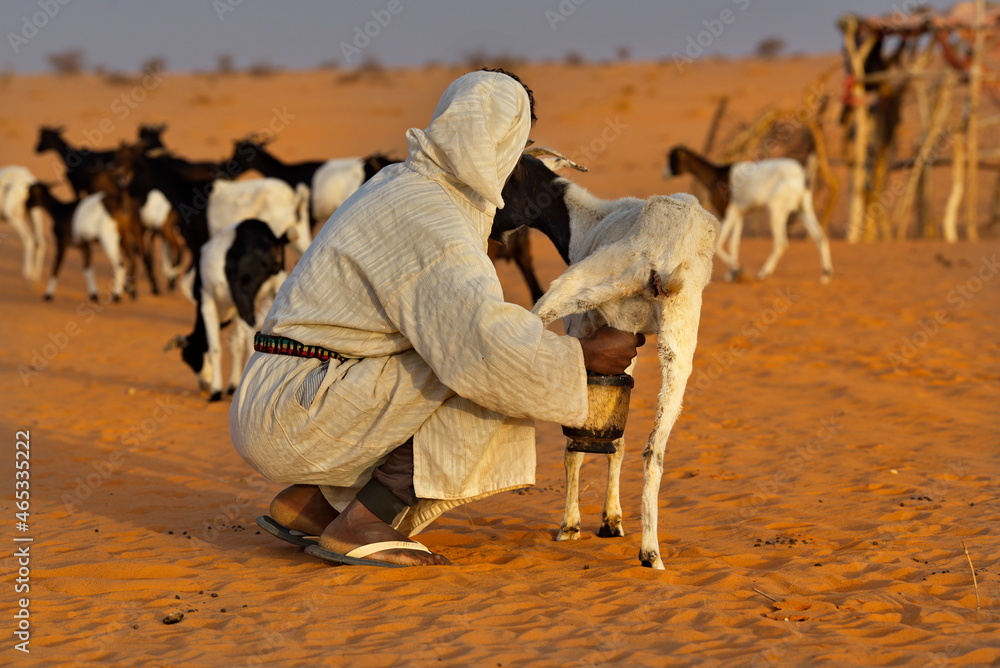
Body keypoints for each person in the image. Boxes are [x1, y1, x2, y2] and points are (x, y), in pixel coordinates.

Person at [230, 69, 644, 567]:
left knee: (485, 354)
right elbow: (483, 348)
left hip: (289, 391)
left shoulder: (403, 184)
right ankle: (362, 520)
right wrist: (582, 356)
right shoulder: (432, 216)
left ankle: (313, 505)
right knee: (490, 370)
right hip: (297, 409)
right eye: (520, 141)